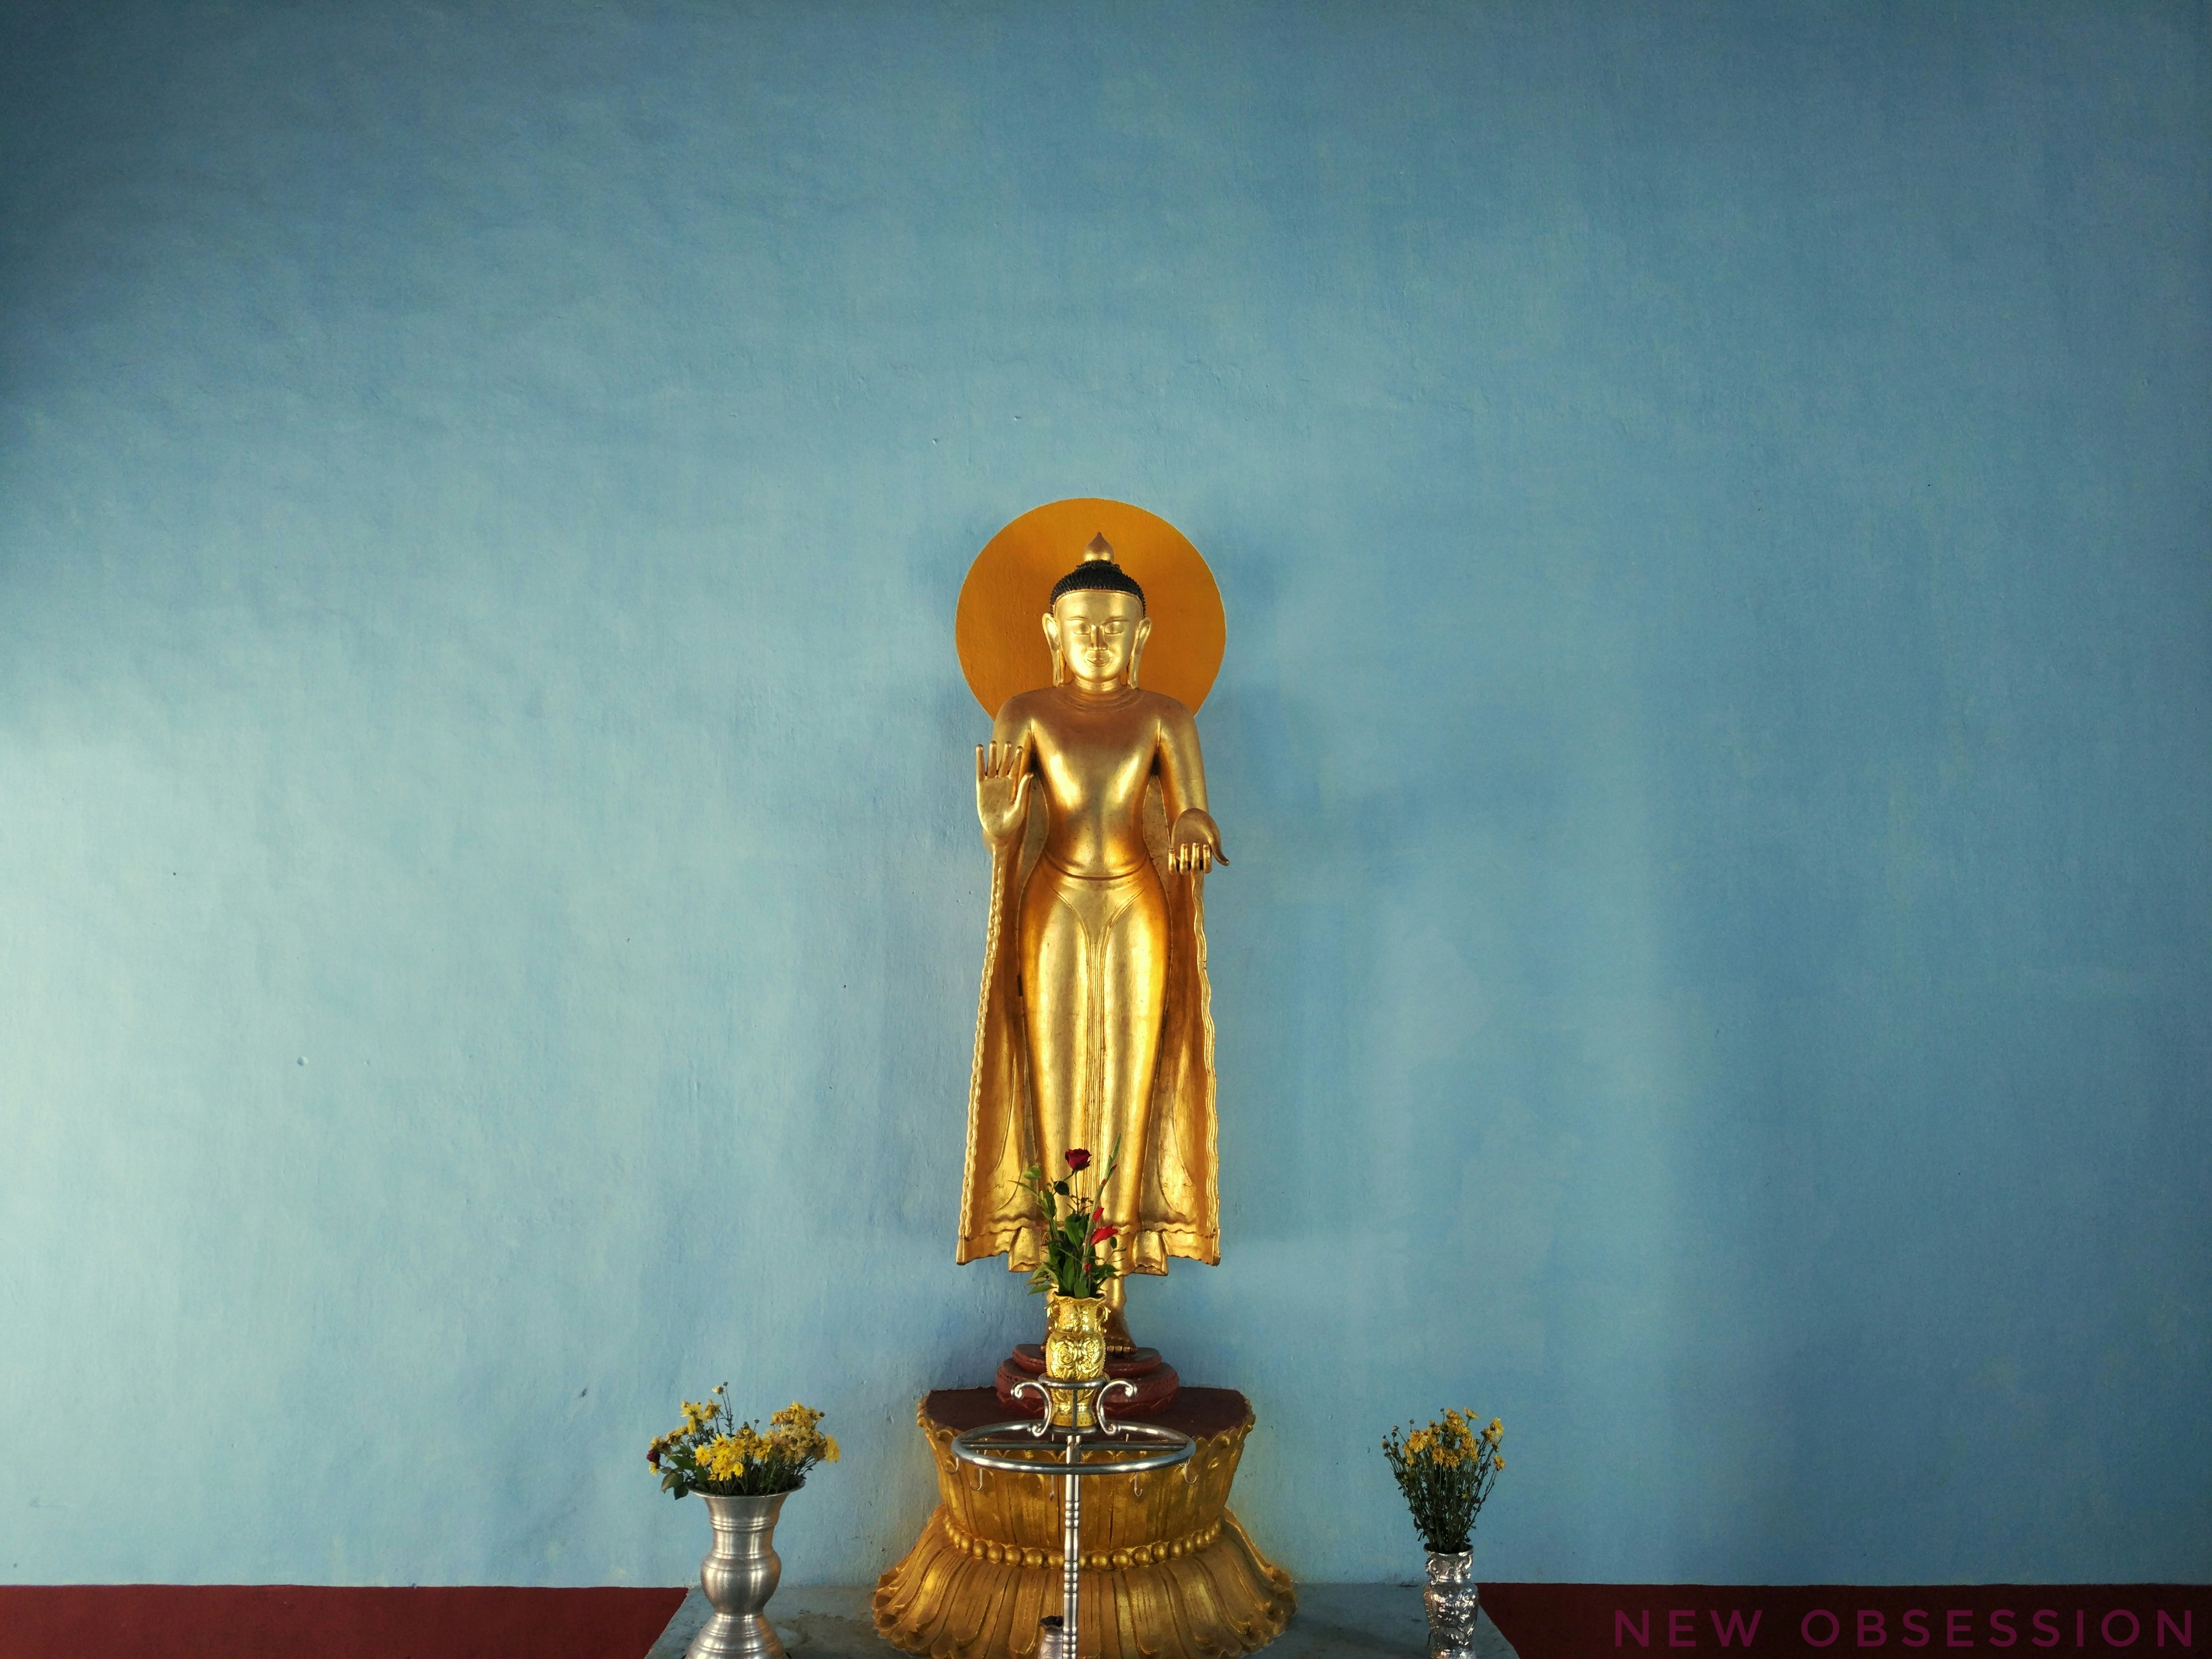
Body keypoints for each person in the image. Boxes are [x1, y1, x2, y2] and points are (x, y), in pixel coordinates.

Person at [956, 535, 1228, 1346]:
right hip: (1057, 901)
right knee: (1058, 1092)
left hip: (1140, 902)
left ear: (1141, 636)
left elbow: (1193, 809)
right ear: (1053, 631)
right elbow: (1010, 821)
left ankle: (1106, 1306)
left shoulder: (1165, 717)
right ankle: (1061, 1298)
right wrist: (1000, 830)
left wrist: (1193, 821)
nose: (1100, 640)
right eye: (1085, 626)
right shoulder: (1027, 713)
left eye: (1116, 627)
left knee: (1127, 1098)